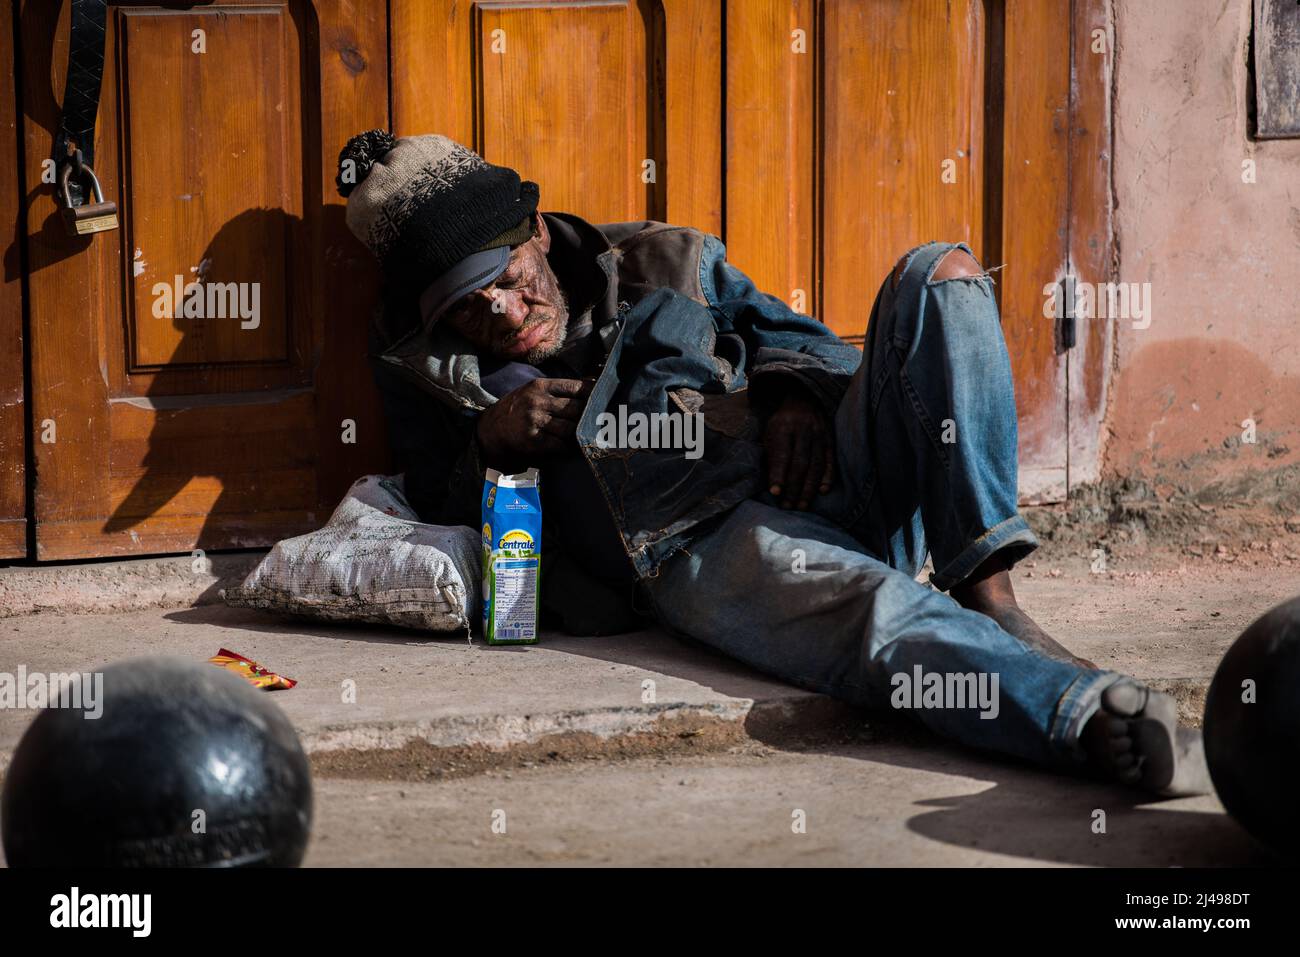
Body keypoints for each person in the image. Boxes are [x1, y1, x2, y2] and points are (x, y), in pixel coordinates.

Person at [337, 129, 1207, 795]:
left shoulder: (664, 260)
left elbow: (807, 342)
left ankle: (992, 594)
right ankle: (1078, 717)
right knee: (878, 614)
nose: (499, 308)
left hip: (839, 474)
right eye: (465, 305)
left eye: (508, 274)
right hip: (703, 542)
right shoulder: (429, 374)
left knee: (939, 274)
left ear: (533, 230)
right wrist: (489, 443)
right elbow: (428, 508)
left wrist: (794, 396)